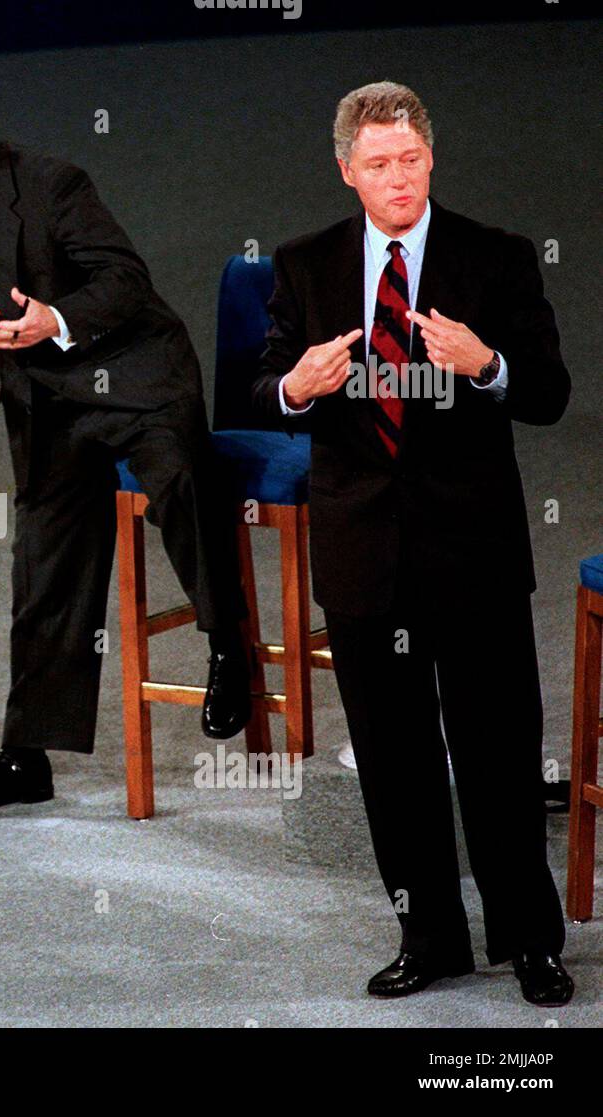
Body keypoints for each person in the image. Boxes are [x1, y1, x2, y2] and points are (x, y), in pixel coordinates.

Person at [252, 81, 572, 1005]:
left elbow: (547, 393)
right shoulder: (305, 265)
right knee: (393, 761)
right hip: (362, 548)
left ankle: (528, 940)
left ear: (431, 159)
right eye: (380, 165)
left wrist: (489, 366)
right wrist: (297, 388)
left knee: (500, 752)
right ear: (347, 170)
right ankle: (429, 936)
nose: (399, 179)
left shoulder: (497, 259)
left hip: (470, 547)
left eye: (413, 161)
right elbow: (263, 384)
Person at [0, 53, 252, 815]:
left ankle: (228, 647)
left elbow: (124, 280)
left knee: (182, 479)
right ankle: (26, 757)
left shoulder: (51, 182)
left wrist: (52, 317)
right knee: (44, 563)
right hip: (47, 399)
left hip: (133, 375)